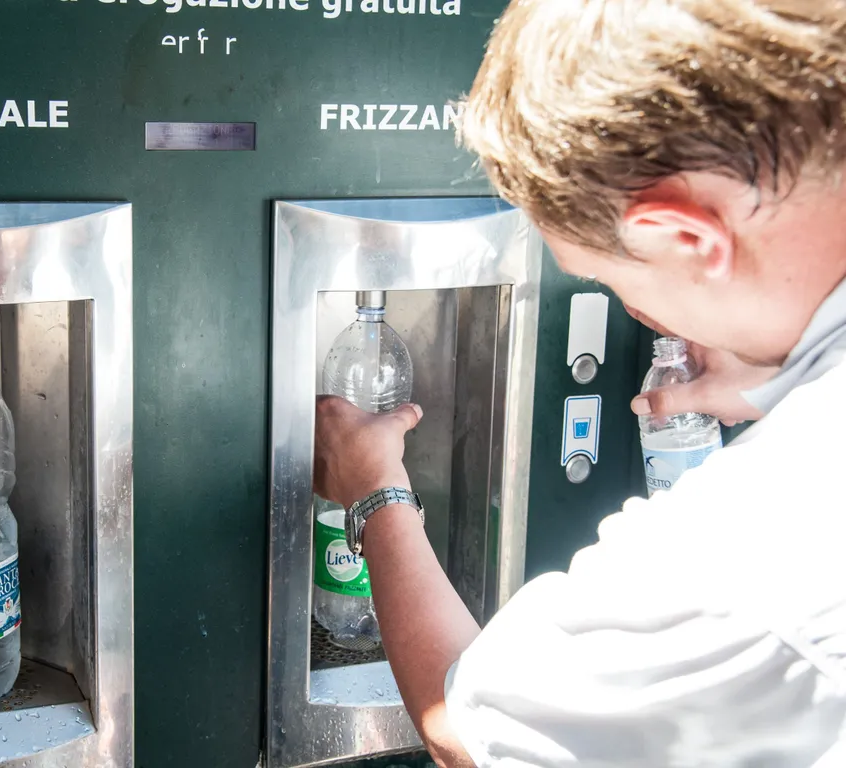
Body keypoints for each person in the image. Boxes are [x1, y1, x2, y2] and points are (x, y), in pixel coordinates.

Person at [312, 1, 846, 765]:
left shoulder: (757, 551)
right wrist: (779, 364)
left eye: (612, 281)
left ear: (685, 238)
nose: (635, 311)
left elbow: (465, 725)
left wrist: (375, 491)